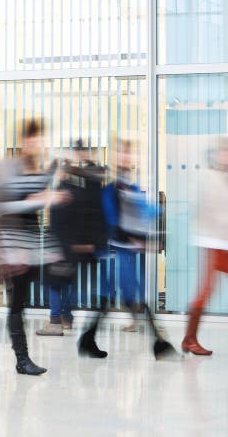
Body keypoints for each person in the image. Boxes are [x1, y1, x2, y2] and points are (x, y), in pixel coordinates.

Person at [78, 139, 176, 360]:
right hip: (116, 253)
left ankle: (87, 340)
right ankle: (160, 345)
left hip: (124, 252)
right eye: (123, 153)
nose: (127, 157)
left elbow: (144, 212)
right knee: (132, 297)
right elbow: (114, 222)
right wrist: (140, 240)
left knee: (110, 298)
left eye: (129, 154)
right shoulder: (111, 189)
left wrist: (156, 216)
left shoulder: (130, 187)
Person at [0, 118, 68, 376]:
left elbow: (35, 190)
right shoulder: (8, 167)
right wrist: (40, 199)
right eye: (34, 139)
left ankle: (23, 357)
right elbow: (1, 206)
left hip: (29, 245)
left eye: (41, 140)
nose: (38, 145)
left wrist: (52, 177)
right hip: (12, 246)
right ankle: (22, 359)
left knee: (25, 298)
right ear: (24, 141)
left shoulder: (33, 168)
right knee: (17, 303)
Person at [37, 140, 108, 336]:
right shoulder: (77, 179)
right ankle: (66, 318)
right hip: (69, 238)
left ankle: (56, 321)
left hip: (67, 238)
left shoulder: (84, 179)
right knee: (64, 279)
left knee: (56, 280)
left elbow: (69, 207)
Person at [182, 136, 228, 355]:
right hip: (212, 242)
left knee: (205, 290)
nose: (225, 155)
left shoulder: (224, 176)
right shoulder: (206, 177)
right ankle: (190, 339)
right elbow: (198, 208)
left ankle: (189, 339)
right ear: (214, 154)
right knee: (206, 290)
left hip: (223, 243)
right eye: (222, 151)